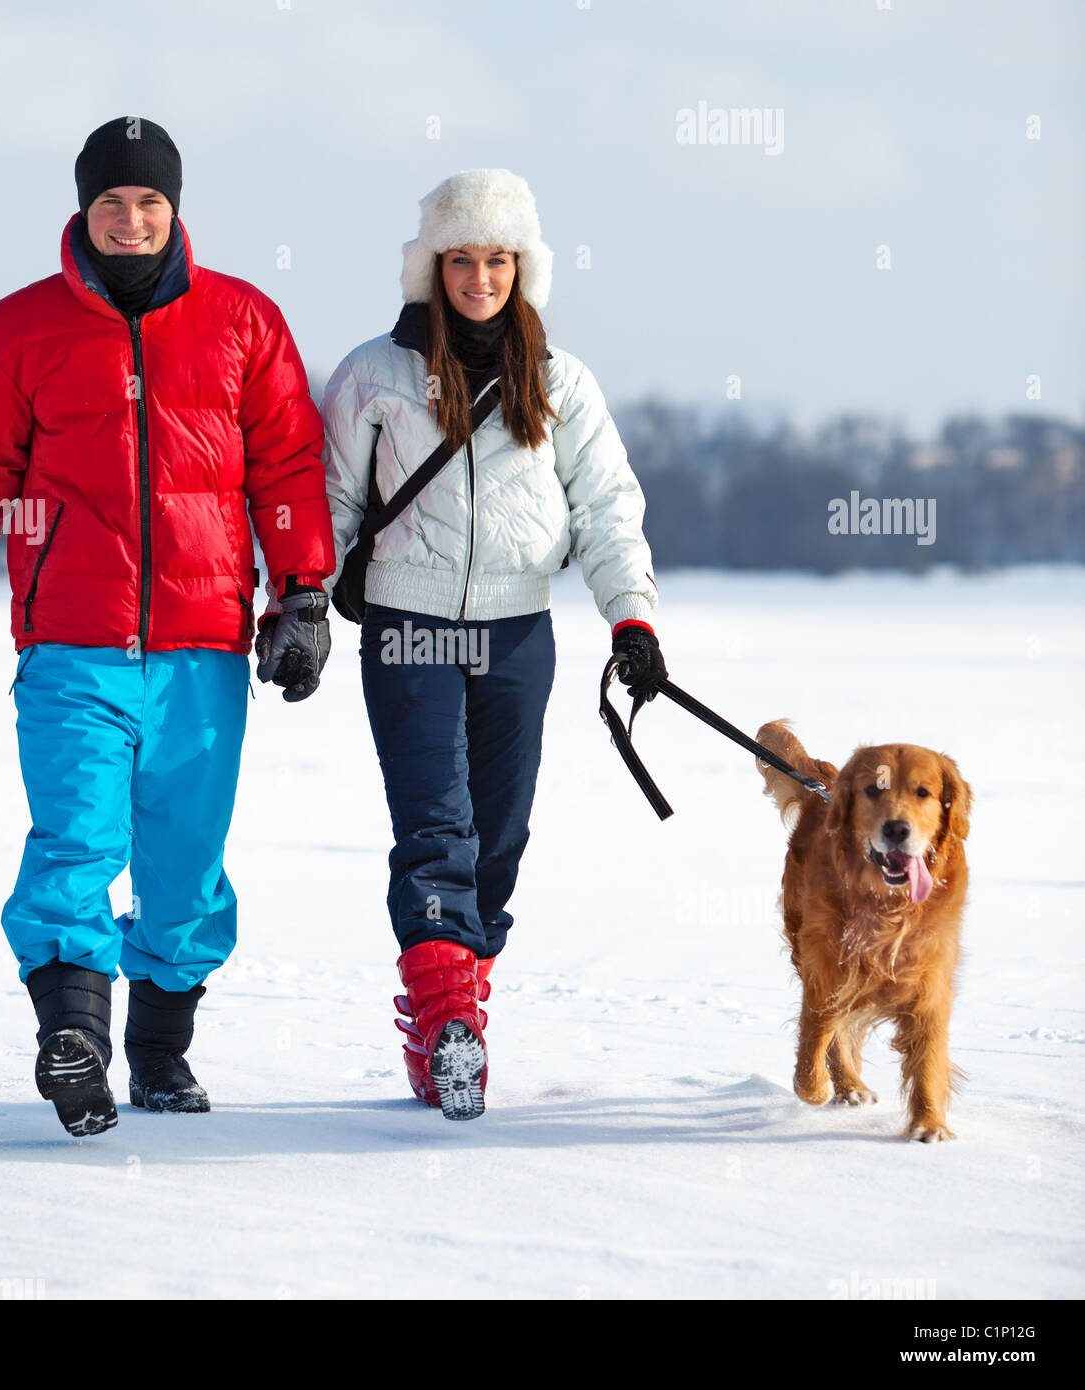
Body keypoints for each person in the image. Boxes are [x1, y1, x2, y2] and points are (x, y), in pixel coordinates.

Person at [0, 116, 334, 1136]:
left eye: (149, 201)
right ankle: (76, 1040)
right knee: (76, 843)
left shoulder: (244, 321)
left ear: (175, 208)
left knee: (184, 866)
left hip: (201, 650)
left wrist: (304, 594)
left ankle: (157, 1050)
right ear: (83, 208)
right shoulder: (17, 328)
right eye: (112, 201)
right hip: (71, 641)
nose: (131, 218)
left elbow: (285, 469)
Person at [320, 169, 667, 1122]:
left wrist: (630, 617)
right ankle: (447, 1026)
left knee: (498, 838)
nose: (479, 277)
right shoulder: (373, 375)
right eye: (462, 259)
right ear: (433, 266)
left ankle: (450, 1024)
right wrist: (305, 605)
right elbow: (331, 508)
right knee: (437, 829)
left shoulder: (559, 383)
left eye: (498, 259)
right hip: (410, 624)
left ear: (524, 269)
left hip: (519, 630)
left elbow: (605, 507)